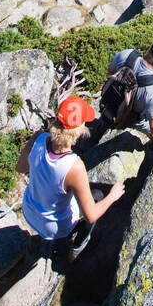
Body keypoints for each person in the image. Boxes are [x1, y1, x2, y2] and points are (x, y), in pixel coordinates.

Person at [17, 96, 125, 254]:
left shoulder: (38, 139)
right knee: (98, 195)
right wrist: (113, 196)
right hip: (54, 227)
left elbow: (20, 168)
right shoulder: (74, 166)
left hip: (29, 209)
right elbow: (92, 215)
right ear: (79, 129)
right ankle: (78, 244)